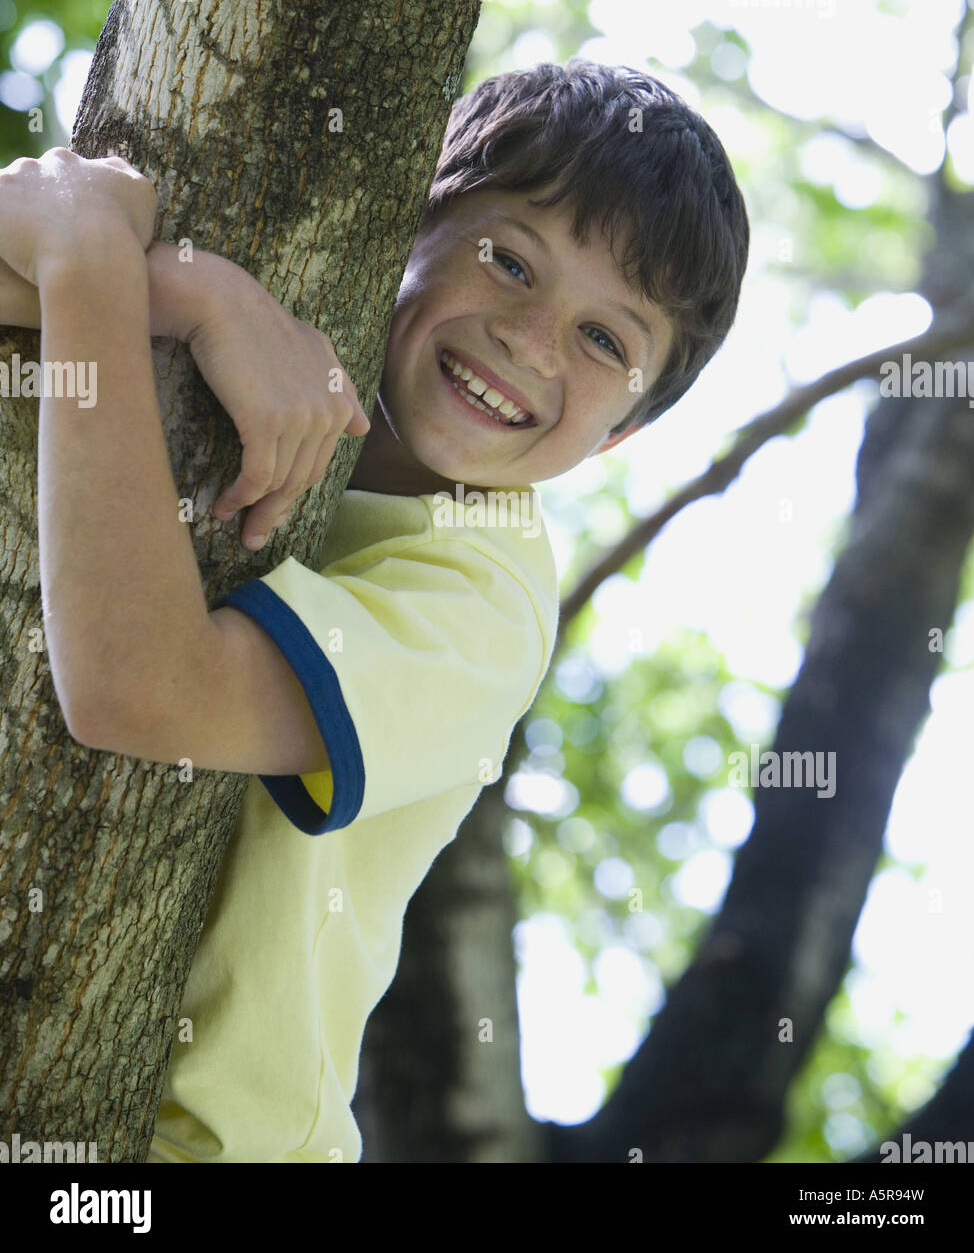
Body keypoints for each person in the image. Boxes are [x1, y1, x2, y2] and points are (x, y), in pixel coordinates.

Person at [0, 58, 749, 1162]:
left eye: (604, 341)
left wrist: (93, 260)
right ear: (408, 223)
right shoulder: (278, 331)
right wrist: (201, 287)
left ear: (618, 439)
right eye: (507, 259)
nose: (529, 340)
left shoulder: (488, 598)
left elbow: (138, 687)